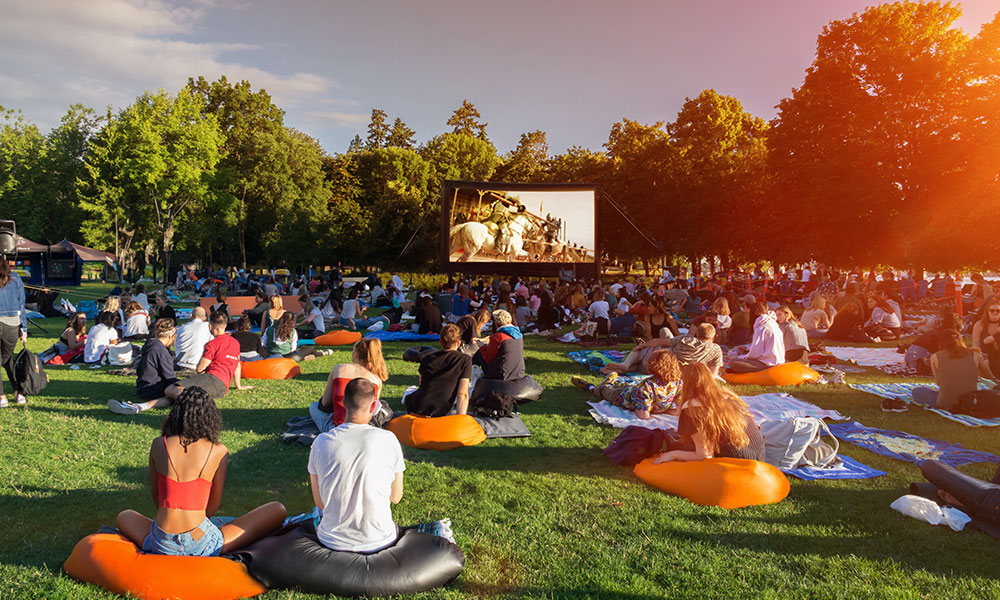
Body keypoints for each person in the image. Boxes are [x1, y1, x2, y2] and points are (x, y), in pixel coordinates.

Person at [116, 387, 286, 556]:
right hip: (201, 544)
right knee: (277, 509)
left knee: (125, 515)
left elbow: (157, 497)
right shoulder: (219, 451)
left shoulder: (160, 444)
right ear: (209, 416)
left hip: (161, 541)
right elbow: (212, 505)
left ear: (176, 413)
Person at [308, 378, 404, 552]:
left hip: (331, 539)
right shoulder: (388, 439)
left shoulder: (321, 442)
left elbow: (320, 503)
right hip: (380, 539)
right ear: (374, 407)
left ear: (343, 403)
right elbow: (396, 497)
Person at [110, 312, 252, 414]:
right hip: (224, 387)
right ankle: (139, 407)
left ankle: (198, 406)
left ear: (210, 326)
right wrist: (238, 386)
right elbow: (237, 365)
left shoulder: (212, 344)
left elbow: (200, 368)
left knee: (172, 390)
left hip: (212, 379)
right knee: (172, 395)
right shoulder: (235, 342)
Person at [653, 362, 765, 462]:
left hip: (738, 462)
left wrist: (672, 455)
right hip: (760, 455)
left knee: (680, 446)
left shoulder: (691, 408)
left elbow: (704, 455)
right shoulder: (728, 396)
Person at [572, 349, 683, 420]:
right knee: (612, 389)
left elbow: (643, 415)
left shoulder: (648, 386)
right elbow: (677, 410)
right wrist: (663, 409)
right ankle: (608, 382)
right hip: (628, 393)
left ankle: (592, 387)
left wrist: (654, 409)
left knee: (602, 390)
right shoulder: (678, 383)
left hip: (622, 397)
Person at [310, 338, 388, 432]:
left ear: (356, 354)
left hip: (337, 427)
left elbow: (325, 402)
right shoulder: (376, 379)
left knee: (314, 406)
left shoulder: (338, 369)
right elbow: (372, 410)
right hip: (364, 427)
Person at [911, 330, 996, 411]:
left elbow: (939, 383)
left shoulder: (935, 357)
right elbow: (989, 377)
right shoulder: (975, 355)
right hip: (970, 401)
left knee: (916, 391)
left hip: (945, 403)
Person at [403, 324, 472, 417]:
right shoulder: (464, 360)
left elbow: (421, 382)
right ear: (458, 343)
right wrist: (461, 419)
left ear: (440, 342)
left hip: (419, 406)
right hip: (442, 409)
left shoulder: (427, 358)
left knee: (410, 393)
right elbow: (462, 393)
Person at [0, 258, 28, 407]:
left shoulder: (15, 278)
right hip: (12, 322)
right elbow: (21, 304)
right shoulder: (15, 277)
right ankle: (18, 392)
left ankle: (2, 396)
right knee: (7, 358)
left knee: (5, 359)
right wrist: (24, 328)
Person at [728, 302, 784, 373]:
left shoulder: (762, 327)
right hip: (777, 361)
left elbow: (755, 353)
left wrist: (742, 357)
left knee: (732, 362)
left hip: (767, 364)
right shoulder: (772, 324)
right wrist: (748, 349)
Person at [135, 319, 179, 402]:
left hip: (143, 386)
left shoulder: (150, 345)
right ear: (170, 336)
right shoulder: (160, 350)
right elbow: (169, 377)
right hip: (153, 388)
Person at [474, 310, 526, 381]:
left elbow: (488, 358)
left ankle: (468, 377)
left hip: (500, 374)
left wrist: (482, 347)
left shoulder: (498, 337)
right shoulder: (518, 335)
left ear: (496, 323)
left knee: (479, 354)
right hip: (518, 372)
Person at [174, 307, 212, 373]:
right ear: (204, 318)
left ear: (191, 316)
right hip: (197, 365)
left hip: (180, 364)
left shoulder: (181, 329)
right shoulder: (207, 327)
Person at [972, 298, 1000, 373]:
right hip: (985, 356)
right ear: (987, 311)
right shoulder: (979, 325)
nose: (995, 313)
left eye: (998, 310)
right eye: (992, 310)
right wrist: (981, 357)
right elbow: (975, 345)